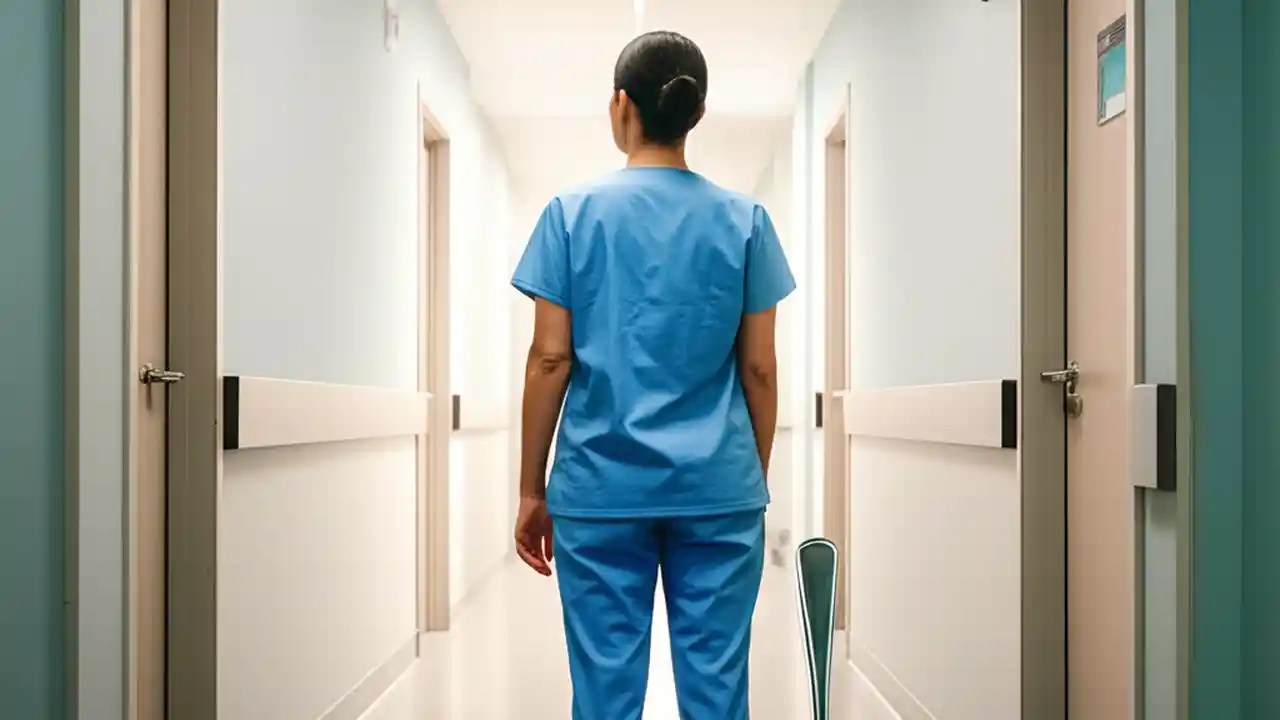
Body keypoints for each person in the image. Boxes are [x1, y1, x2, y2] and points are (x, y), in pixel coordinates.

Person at [510, 29, 796, 720]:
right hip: (719, 489)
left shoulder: (570, 216)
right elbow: (758, 367)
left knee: (605, 692)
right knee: (716, 686)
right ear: (694, 113)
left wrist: (529, 488)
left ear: (620, 107)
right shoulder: (745, 220)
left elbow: (551, 357)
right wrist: (747, 472)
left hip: (600, 489)